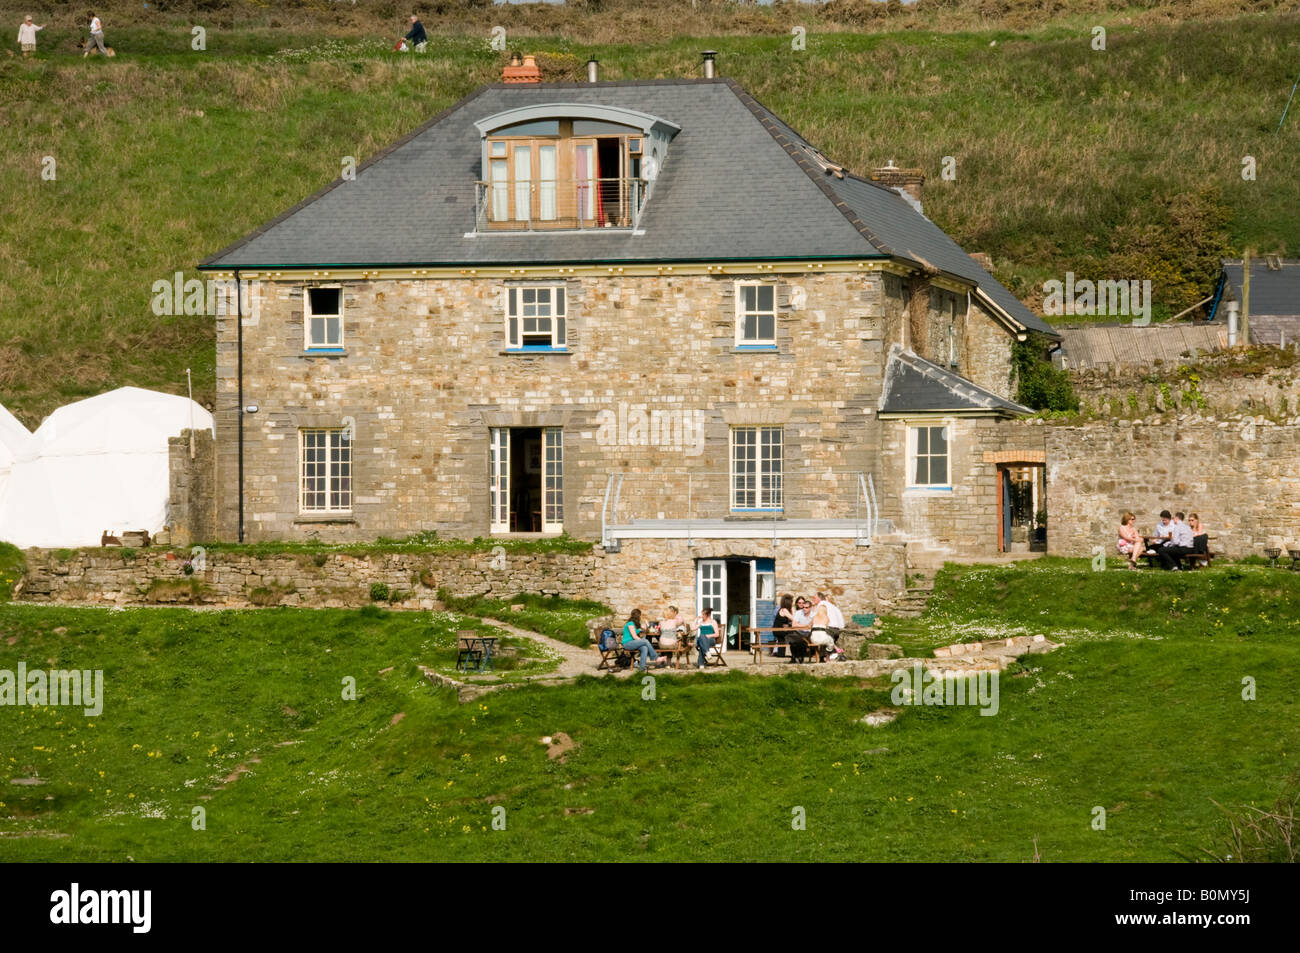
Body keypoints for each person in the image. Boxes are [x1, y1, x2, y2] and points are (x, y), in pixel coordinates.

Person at [807, 593, 837, 661]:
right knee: (831, 641)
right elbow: (828, 627)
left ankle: (820, 656)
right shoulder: (827, 618)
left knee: (821, 641)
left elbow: (809, 626)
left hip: (813, 639)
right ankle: (828, 655)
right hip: (823, 638)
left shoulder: (814, 617)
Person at [770, 593, 796, 659]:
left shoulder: (783, 609)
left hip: (780, 630)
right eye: (792, 602)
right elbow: (794, 618)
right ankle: (794, 653)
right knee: (794, 635)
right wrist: (793, 610)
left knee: (782, 641)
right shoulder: (784, 610)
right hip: (778, 630)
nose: (792, 604)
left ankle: (781, 654)